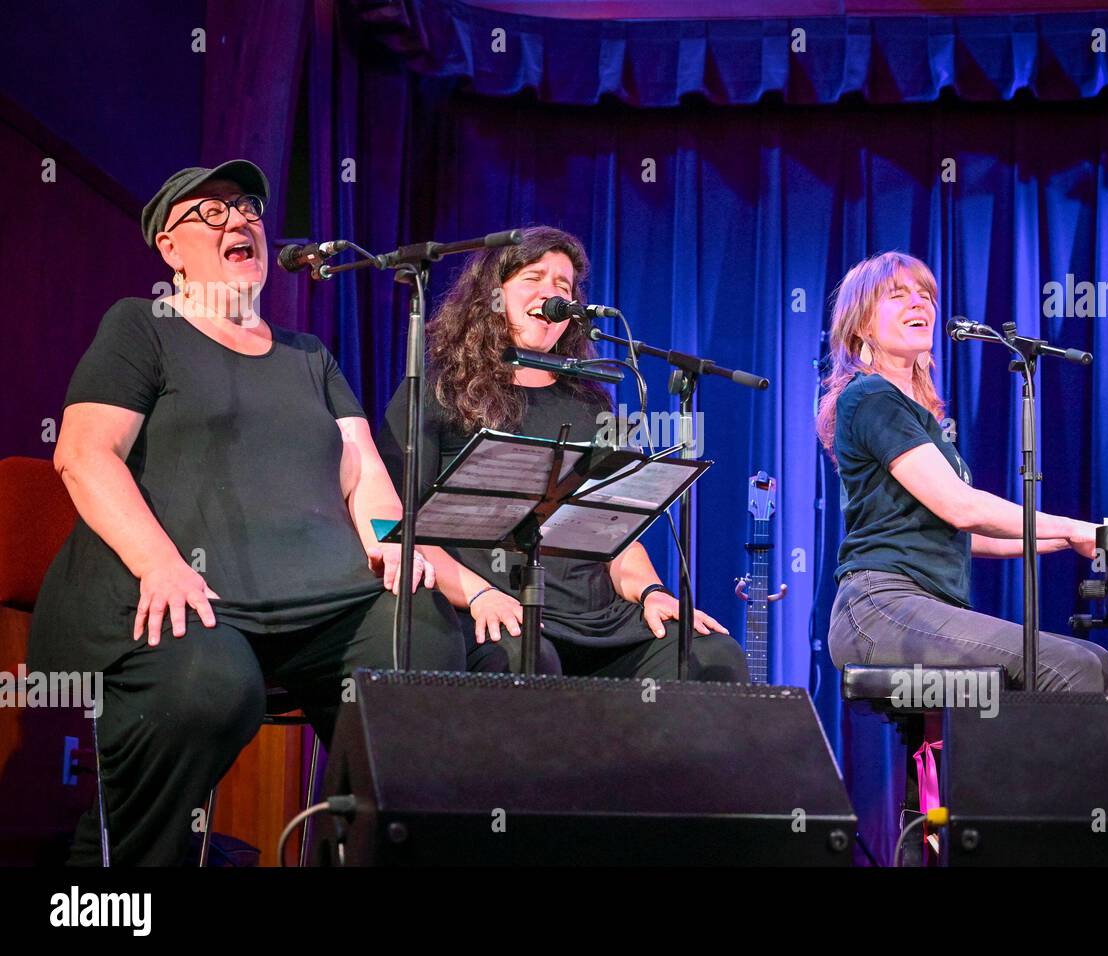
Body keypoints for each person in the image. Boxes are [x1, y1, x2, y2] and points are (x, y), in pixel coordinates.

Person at [28, 160, 464, 866]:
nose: (239, 219)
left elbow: (365, 477)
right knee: (213, 684)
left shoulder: (309, 357)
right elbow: (83, 453)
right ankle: (125, 880)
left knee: (419, 638)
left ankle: (352, 850)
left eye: (249, 207)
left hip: (318, 604)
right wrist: (160, 564)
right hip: (182, 594)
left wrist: (392, 544)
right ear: (168, 247)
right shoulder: (143, 327)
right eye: (211, 211)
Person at [376, 225, 747, 683]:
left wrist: (651, 591)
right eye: (534, 278)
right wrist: (478, 595)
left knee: (712, 655)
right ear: (493, 295)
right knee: (528, 660)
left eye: (563, 286)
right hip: (493, 610)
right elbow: (401, 525)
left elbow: (615, 531)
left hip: (597, 619)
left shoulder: (590, 403)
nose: (551, 293)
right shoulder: (439, 392)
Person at [817, 251, 1108, 693]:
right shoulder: (871, 397)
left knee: (1098, 661)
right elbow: (960, 509)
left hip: (918, 607)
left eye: (925, 295)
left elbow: (963, 534)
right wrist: (1077, 528)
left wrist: (1066, 541)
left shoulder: (911, 413)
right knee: (1074, 668)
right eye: (897, 295)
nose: (919, 304)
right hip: (878, 608)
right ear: (861, 324)